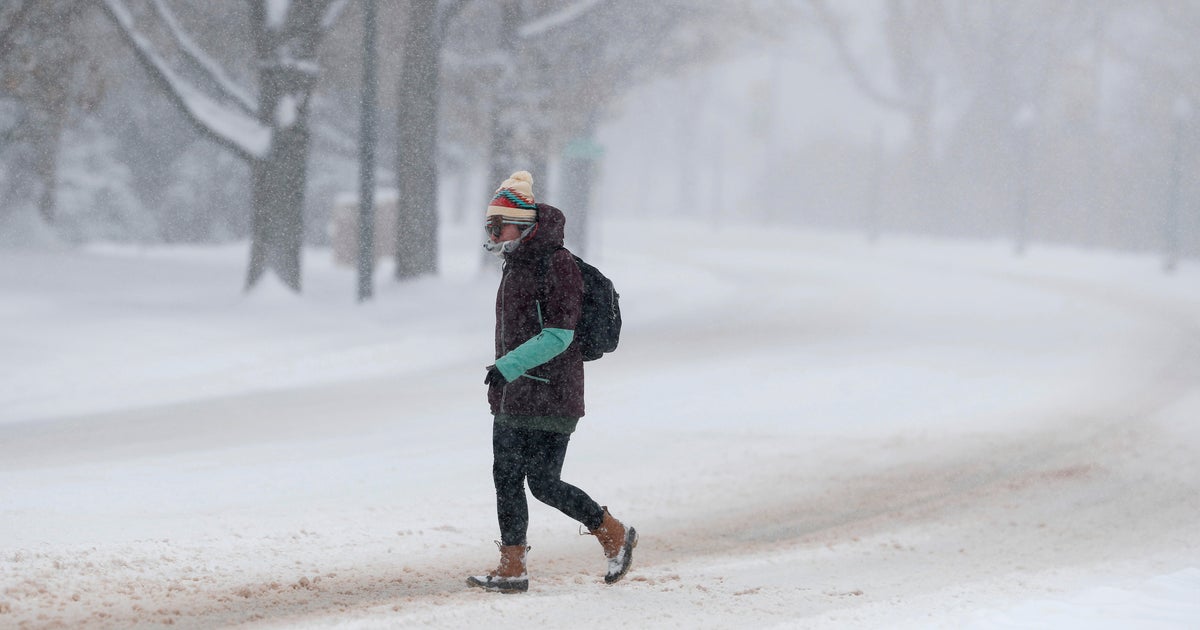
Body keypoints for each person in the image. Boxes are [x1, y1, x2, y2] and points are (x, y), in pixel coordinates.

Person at [467, 171, 637, 594]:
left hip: (552, 394)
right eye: (489, 226)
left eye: (498, 225)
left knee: (544, 483)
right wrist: (505, 376)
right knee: (506, 477)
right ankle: (512, 568)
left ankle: (613, 532)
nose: (492, 234)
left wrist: (507, 366)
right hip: (513, 393)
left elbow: (559, 335)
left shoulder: (558, 264)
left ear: (523, 224)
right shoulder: (515, 263)